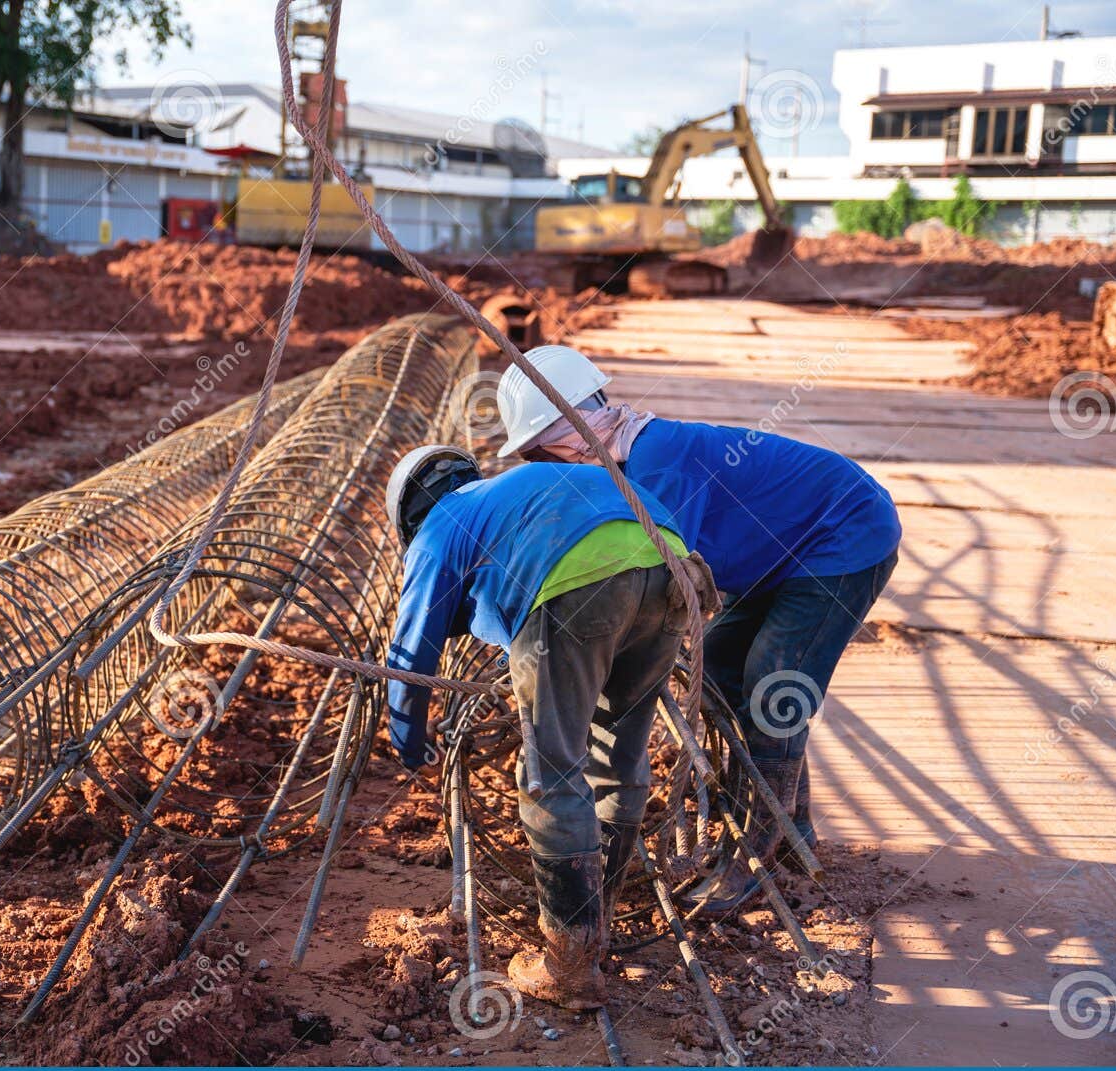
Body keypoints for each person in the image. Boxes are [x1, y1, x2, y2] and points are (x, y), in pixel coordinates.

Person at [495, 345, 902, 914]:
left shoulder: (656, 461)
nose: (543, 465)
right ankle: (791, 829)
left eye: (539, 451)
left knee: (773, 682)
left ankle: (755, 860)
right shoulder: (625, 459)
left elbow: (669, 580)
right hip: (778, 556)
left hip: (842, 536)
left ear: (567, 430)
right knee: (725, 666)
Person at [384, 444, 707, 1008]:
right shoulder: (514, 494)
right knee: (617, 748)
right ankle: (595, 918)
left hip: (579, 581)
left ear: (409, 516)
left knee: (551, 767)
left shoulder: (438, 530)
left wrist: (408, 745)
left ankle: (571, 964)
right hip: (672, 566)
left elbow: (409, 657)